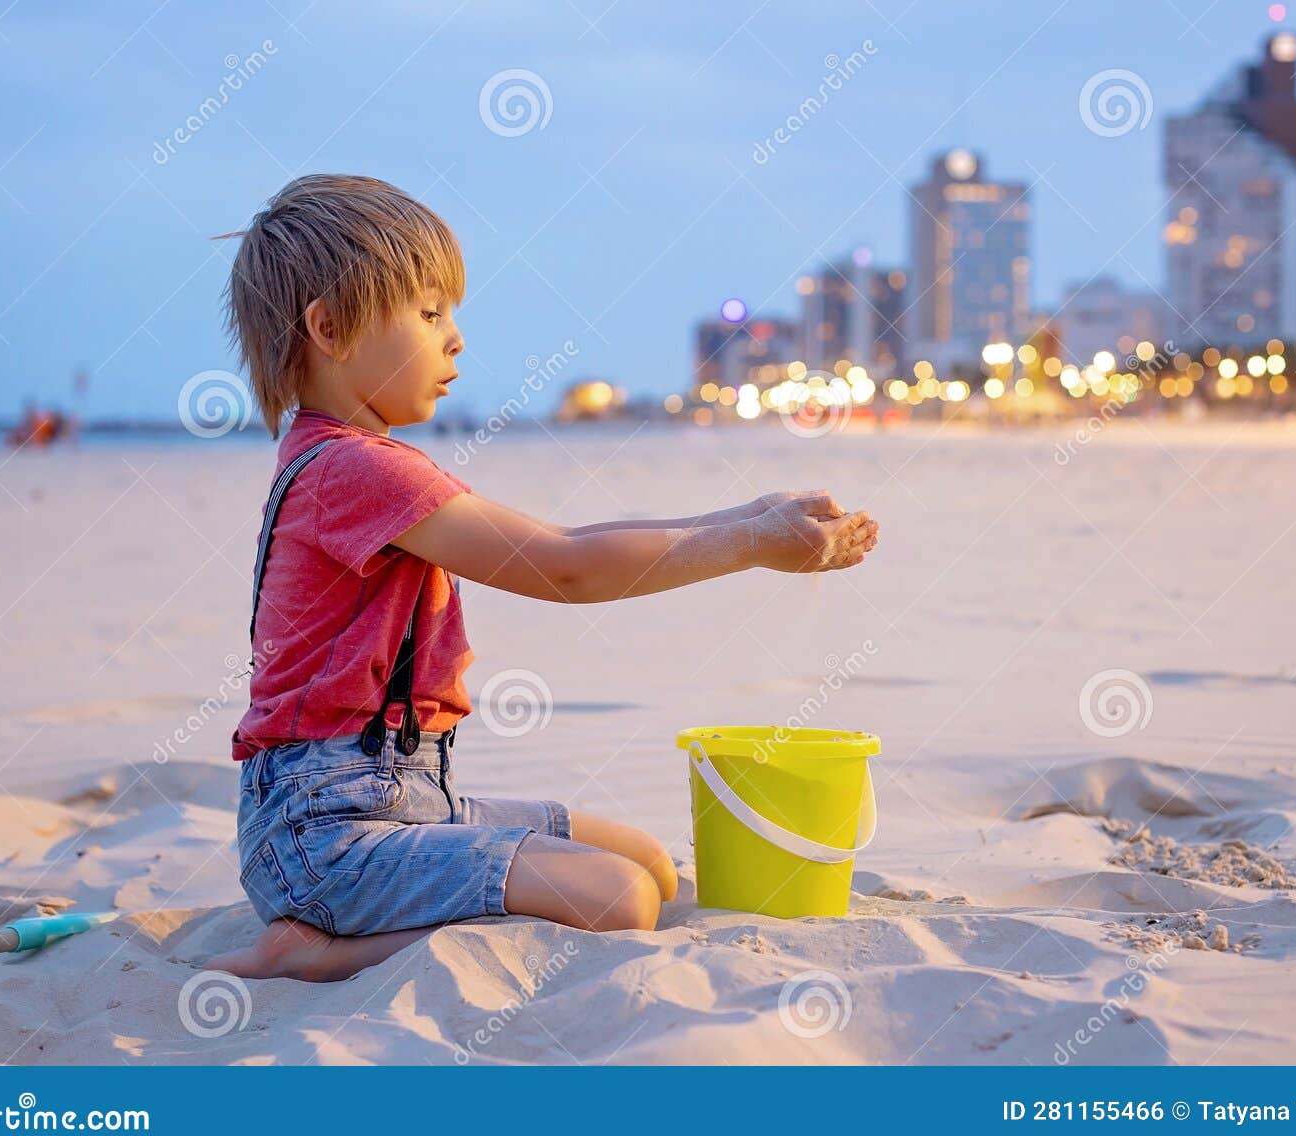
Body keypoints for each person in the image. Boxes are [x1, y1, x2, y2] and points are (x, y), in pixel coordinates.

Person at [209, 174, 879, 982]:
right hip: (326, 831)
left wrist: (747, 516)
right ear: (330, 328)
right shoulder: (353, 471)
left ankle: (346, 925)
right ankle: (313, 951)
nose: (455, 338)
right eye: (429, 314)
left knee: (652, 869)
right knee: (620, 901)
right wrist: (750, 544)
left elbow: (571, 541)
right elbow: (563, 570)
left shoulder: (351, 461)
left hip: (408, 798)